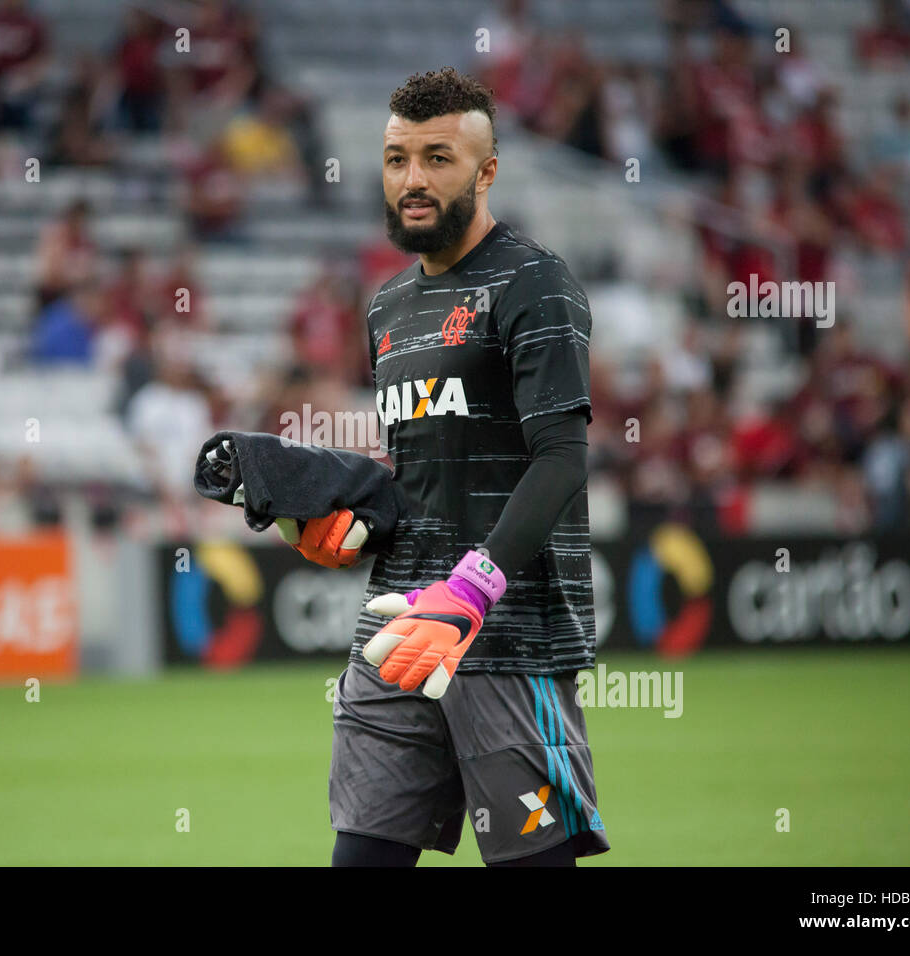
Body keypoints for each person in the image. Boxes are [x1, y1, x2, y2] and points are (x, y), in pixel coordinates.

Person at [300, 68, 608, 867]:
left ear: (487, 170)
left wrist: (474, 588)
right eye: (397, 158)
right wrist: (353, 523)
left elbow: (562, 458)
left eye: (438, 158)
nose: (413, 179)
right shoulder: (387, 307)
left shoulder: (535, 282)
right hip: (396, 628)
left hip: (507, 636)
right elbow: (418, 475)